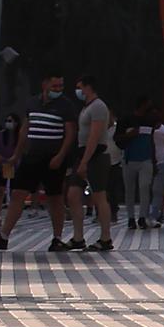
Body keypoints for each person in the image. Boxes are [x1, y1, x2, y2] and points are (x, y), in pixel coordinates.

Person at [0, 72, 84, 254]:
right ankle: (3, 236)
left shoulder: (66, 105)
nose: (58, 90)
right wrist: (17, 154)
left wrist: (61, 155)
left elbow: (70, 133)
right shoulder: (32, 103)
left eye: (61, 86)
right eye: (55, 86)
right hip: (32, 156)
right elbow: (25, 129)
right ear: (45, 85)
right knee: (18, 193)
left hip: (53, 157)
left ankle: (57, 238)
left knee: (54, 197)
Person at [59, 82, 117, 254]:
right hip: (82, 155)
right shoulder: (86, 107)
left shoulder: (98, 106)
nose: (78, 90)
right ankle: (78, 238)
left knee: (99, 196)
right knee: (73, 194)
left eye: (80, 87)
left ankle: (105, 238)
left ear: (88, 87)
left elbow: (94, 135)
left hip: (95, 156)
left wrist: (85, 161)